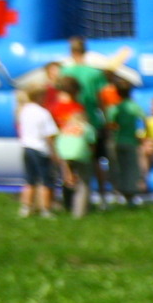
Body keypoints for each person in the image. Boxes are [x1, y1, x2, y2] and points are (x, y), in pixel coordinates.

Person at [60, 37, 112, 205]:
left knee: (70, 160)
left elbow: (61, 98)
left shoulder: (64, 72)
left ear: (71, 52)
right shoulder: (95, 73)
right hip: (91, 121)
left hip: (68, 122)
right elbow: (102, 99)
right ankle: (103, 196)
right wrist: (106, 120)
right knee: (97, 160)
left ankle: (70, 197)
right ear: (85, 51)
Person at [51, 77, 96, 218]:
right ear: (75, 91)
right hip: (80, 148)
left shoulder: (54, 107)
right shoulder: (77, 107)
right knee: (83, 180)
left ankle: (67, 204)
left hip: (61, 147)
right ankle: (80, 210)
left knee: (65, 178)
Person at [14, 92, 57, 218]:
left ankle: (25, 208)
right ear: (40, 96)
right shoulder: (43, 113)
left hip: (27, 147)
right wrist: (54, 153)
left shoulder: (24, 110)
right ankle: (46, 209)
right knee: (46, 181)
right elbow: (49, 135)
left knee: (29, 180)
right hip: (40, 149)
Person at [105, 82, 147, 207]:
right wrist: (143, 135)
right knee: (131, 169)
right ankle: (131, 195)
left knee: (118, 168)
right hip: (131, 141)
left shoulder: (114, 108)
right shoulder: (134, 106)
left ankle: (118, 192)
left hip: (117, 141)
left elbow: (111, 124)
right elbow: (145, 120)